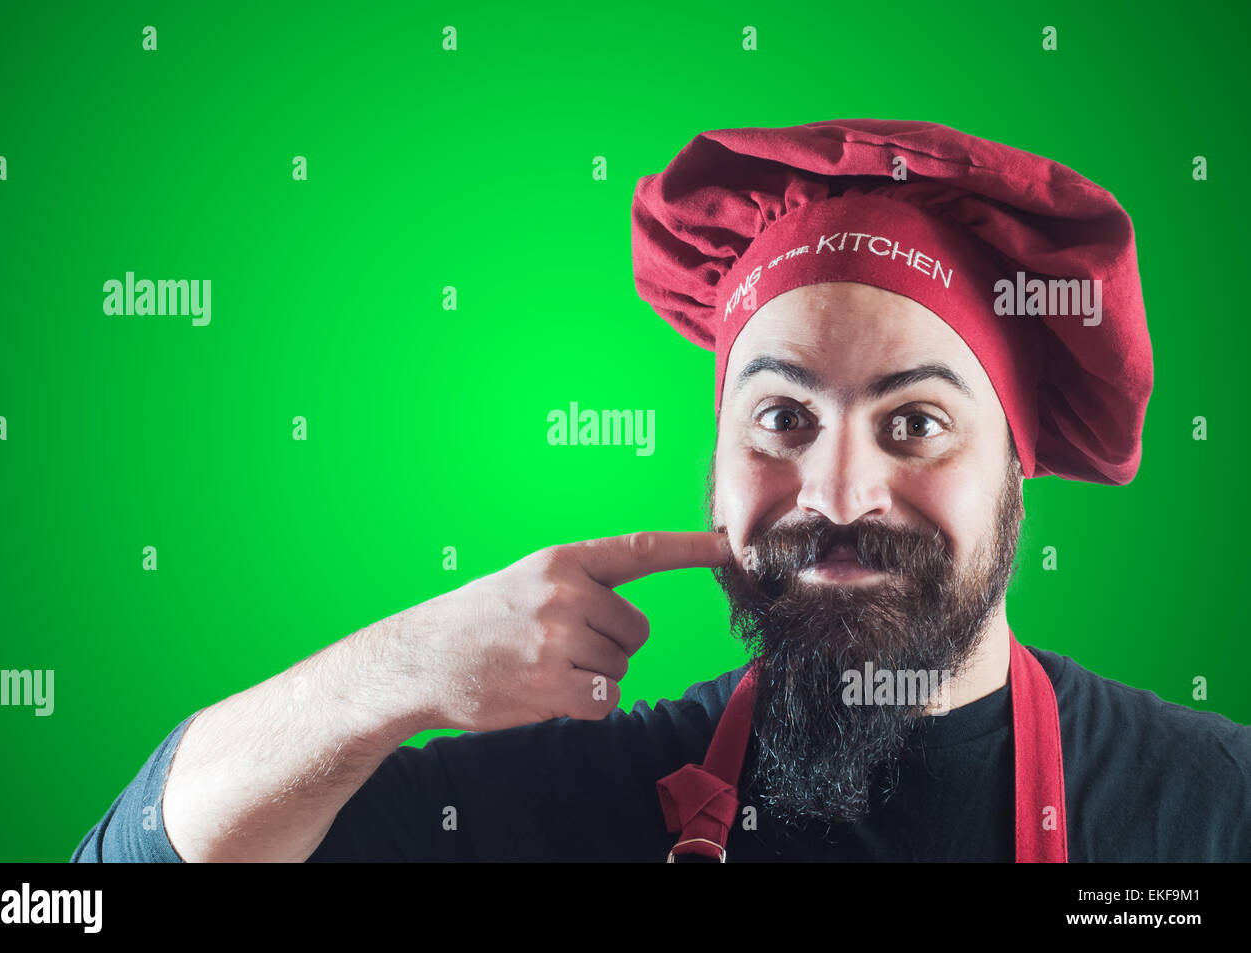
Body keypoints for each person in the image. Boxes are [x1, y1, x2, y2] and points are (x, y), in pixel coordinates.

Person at [72, 119, 1250, 863]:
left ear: (1016, 468)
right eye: (782, 417)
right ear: (718, 457)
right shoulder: (572, 798)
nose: (838, 491)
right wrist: (405, 668)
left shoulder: (1211, 802)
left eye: (916, 421)